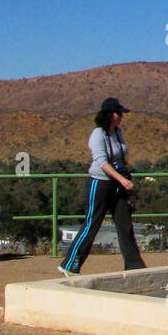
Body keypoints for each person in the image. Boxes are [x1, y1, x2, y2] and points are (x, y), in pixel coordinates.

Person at [58, 98, 146, 275]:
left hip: (118, 184)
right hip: (100, 183)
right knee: (92, 224)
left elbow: (120, 157)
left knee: (125, 224)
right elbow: (102, 162)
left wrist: (125, 182)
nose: (121, 116)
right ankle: (70, 264)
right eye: (118, 113)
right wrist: (122, 180)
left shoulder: (118, 132)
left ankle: (134, 266)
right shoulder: (98, 134)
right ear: (109, 114)